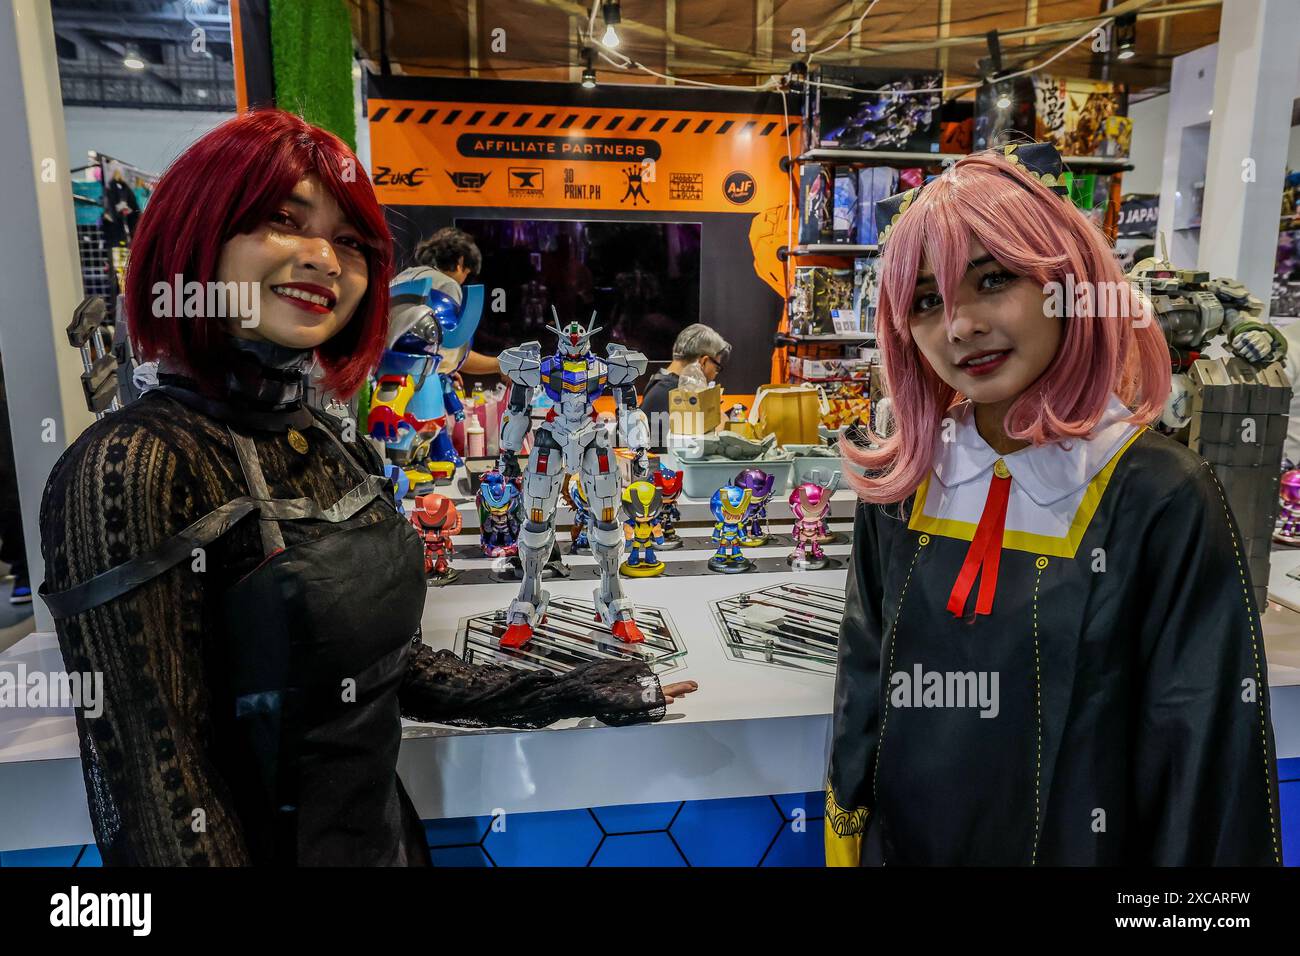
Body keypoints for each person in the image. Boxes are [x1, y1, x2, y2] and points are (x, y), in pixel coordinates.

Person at [38, 109, 696, 867]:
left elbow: (388, 668)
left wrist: (579, 688)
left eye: (350, 242)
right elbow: (156, 794)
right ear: (195, 236)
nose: (323, 257)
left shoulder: (328, 440)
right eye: (284, 222)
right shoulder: (131, 463)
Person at [828, 144, 1281, 866]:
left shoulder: (1158, 494)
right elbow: (862, 686)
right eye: (925, 300)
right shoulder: (903, 480)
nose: (959, 326)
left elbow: (1202, 752)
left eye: (993, 279)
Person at [411, 226, 499, 377]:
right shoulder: (445, 285)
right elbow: (450, 348)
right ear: (460, 261)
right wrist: (500, 365)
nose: (464, 279)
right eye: (466, 272)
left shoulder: (410, 275)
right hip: (419, 381)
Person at [640, 323, 730, 451]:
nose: (715, 374)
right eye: (717, 368)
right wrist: (720, 424)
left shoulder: (659, 381)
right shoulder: (675, 395)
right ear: (703, 361)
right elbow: (696, 450)